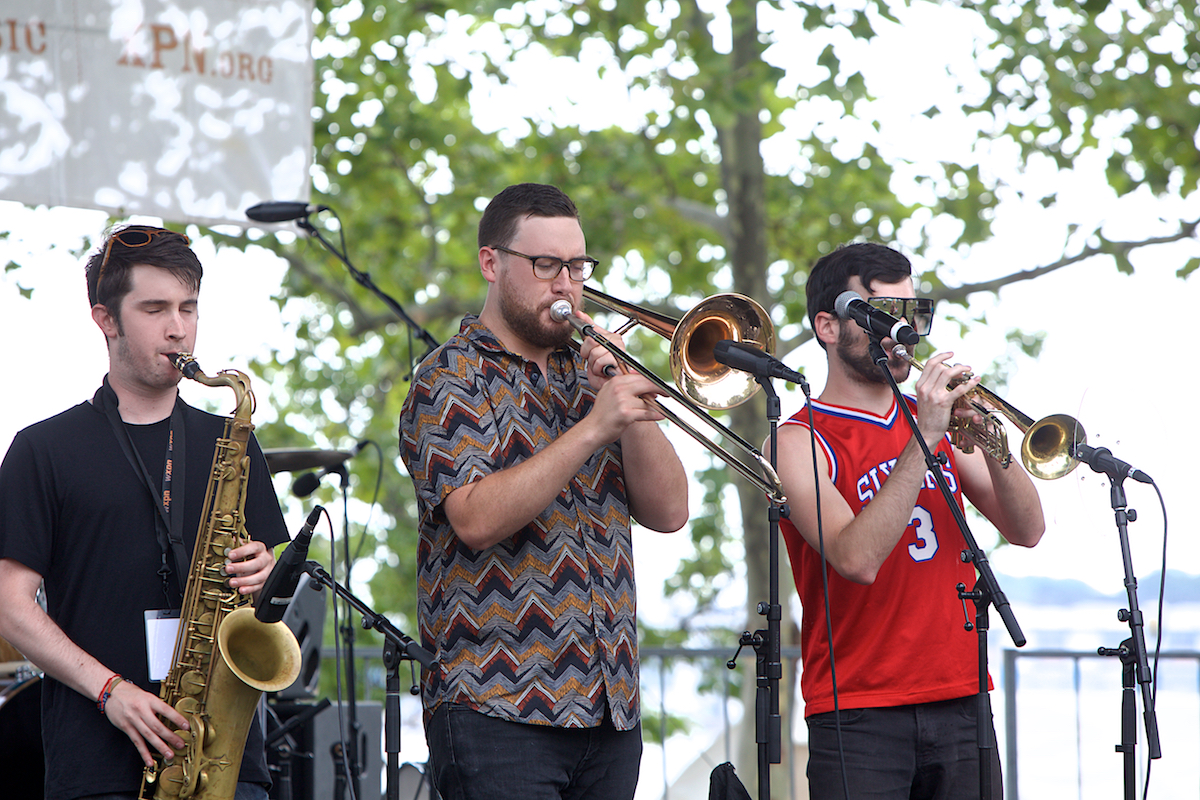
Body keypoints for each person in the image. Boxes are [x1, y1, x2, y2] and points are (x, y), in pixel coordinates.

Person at [399, 183, 689, 800]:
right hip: (496, 708)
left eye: (577, 266)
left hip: (611, 709)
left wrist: (626, 391)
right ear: (491, 263)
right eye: (546, 265)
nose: (566, 284)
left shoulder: (590, 374)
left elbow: (669, 511)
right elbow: (475, 519)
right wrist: (593, 429)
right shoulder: (447, 379)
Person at [0, 225, 289, 800]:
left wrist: (265, 573)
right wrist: (111, 691)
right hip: (97, 762)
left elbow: (269, 598)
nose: (178, 327)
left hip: (223, 758)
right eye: (154, 308)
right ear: (105, 319)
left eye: (188, 308)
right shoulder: (43, 448)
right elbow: (9, 607)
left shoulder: (229, 439)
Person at [770, 242, 1046, 799]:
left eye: (914, 315)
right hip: (859, 712)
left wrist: (993, 441)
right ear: (827, 326)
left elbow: (1028, 529)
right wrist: (929, 435)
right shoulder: (796, 442)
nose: (904, 333)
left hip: (963, 696)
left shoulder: (932, 422)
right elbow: (856, 558)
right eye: (882, 317)